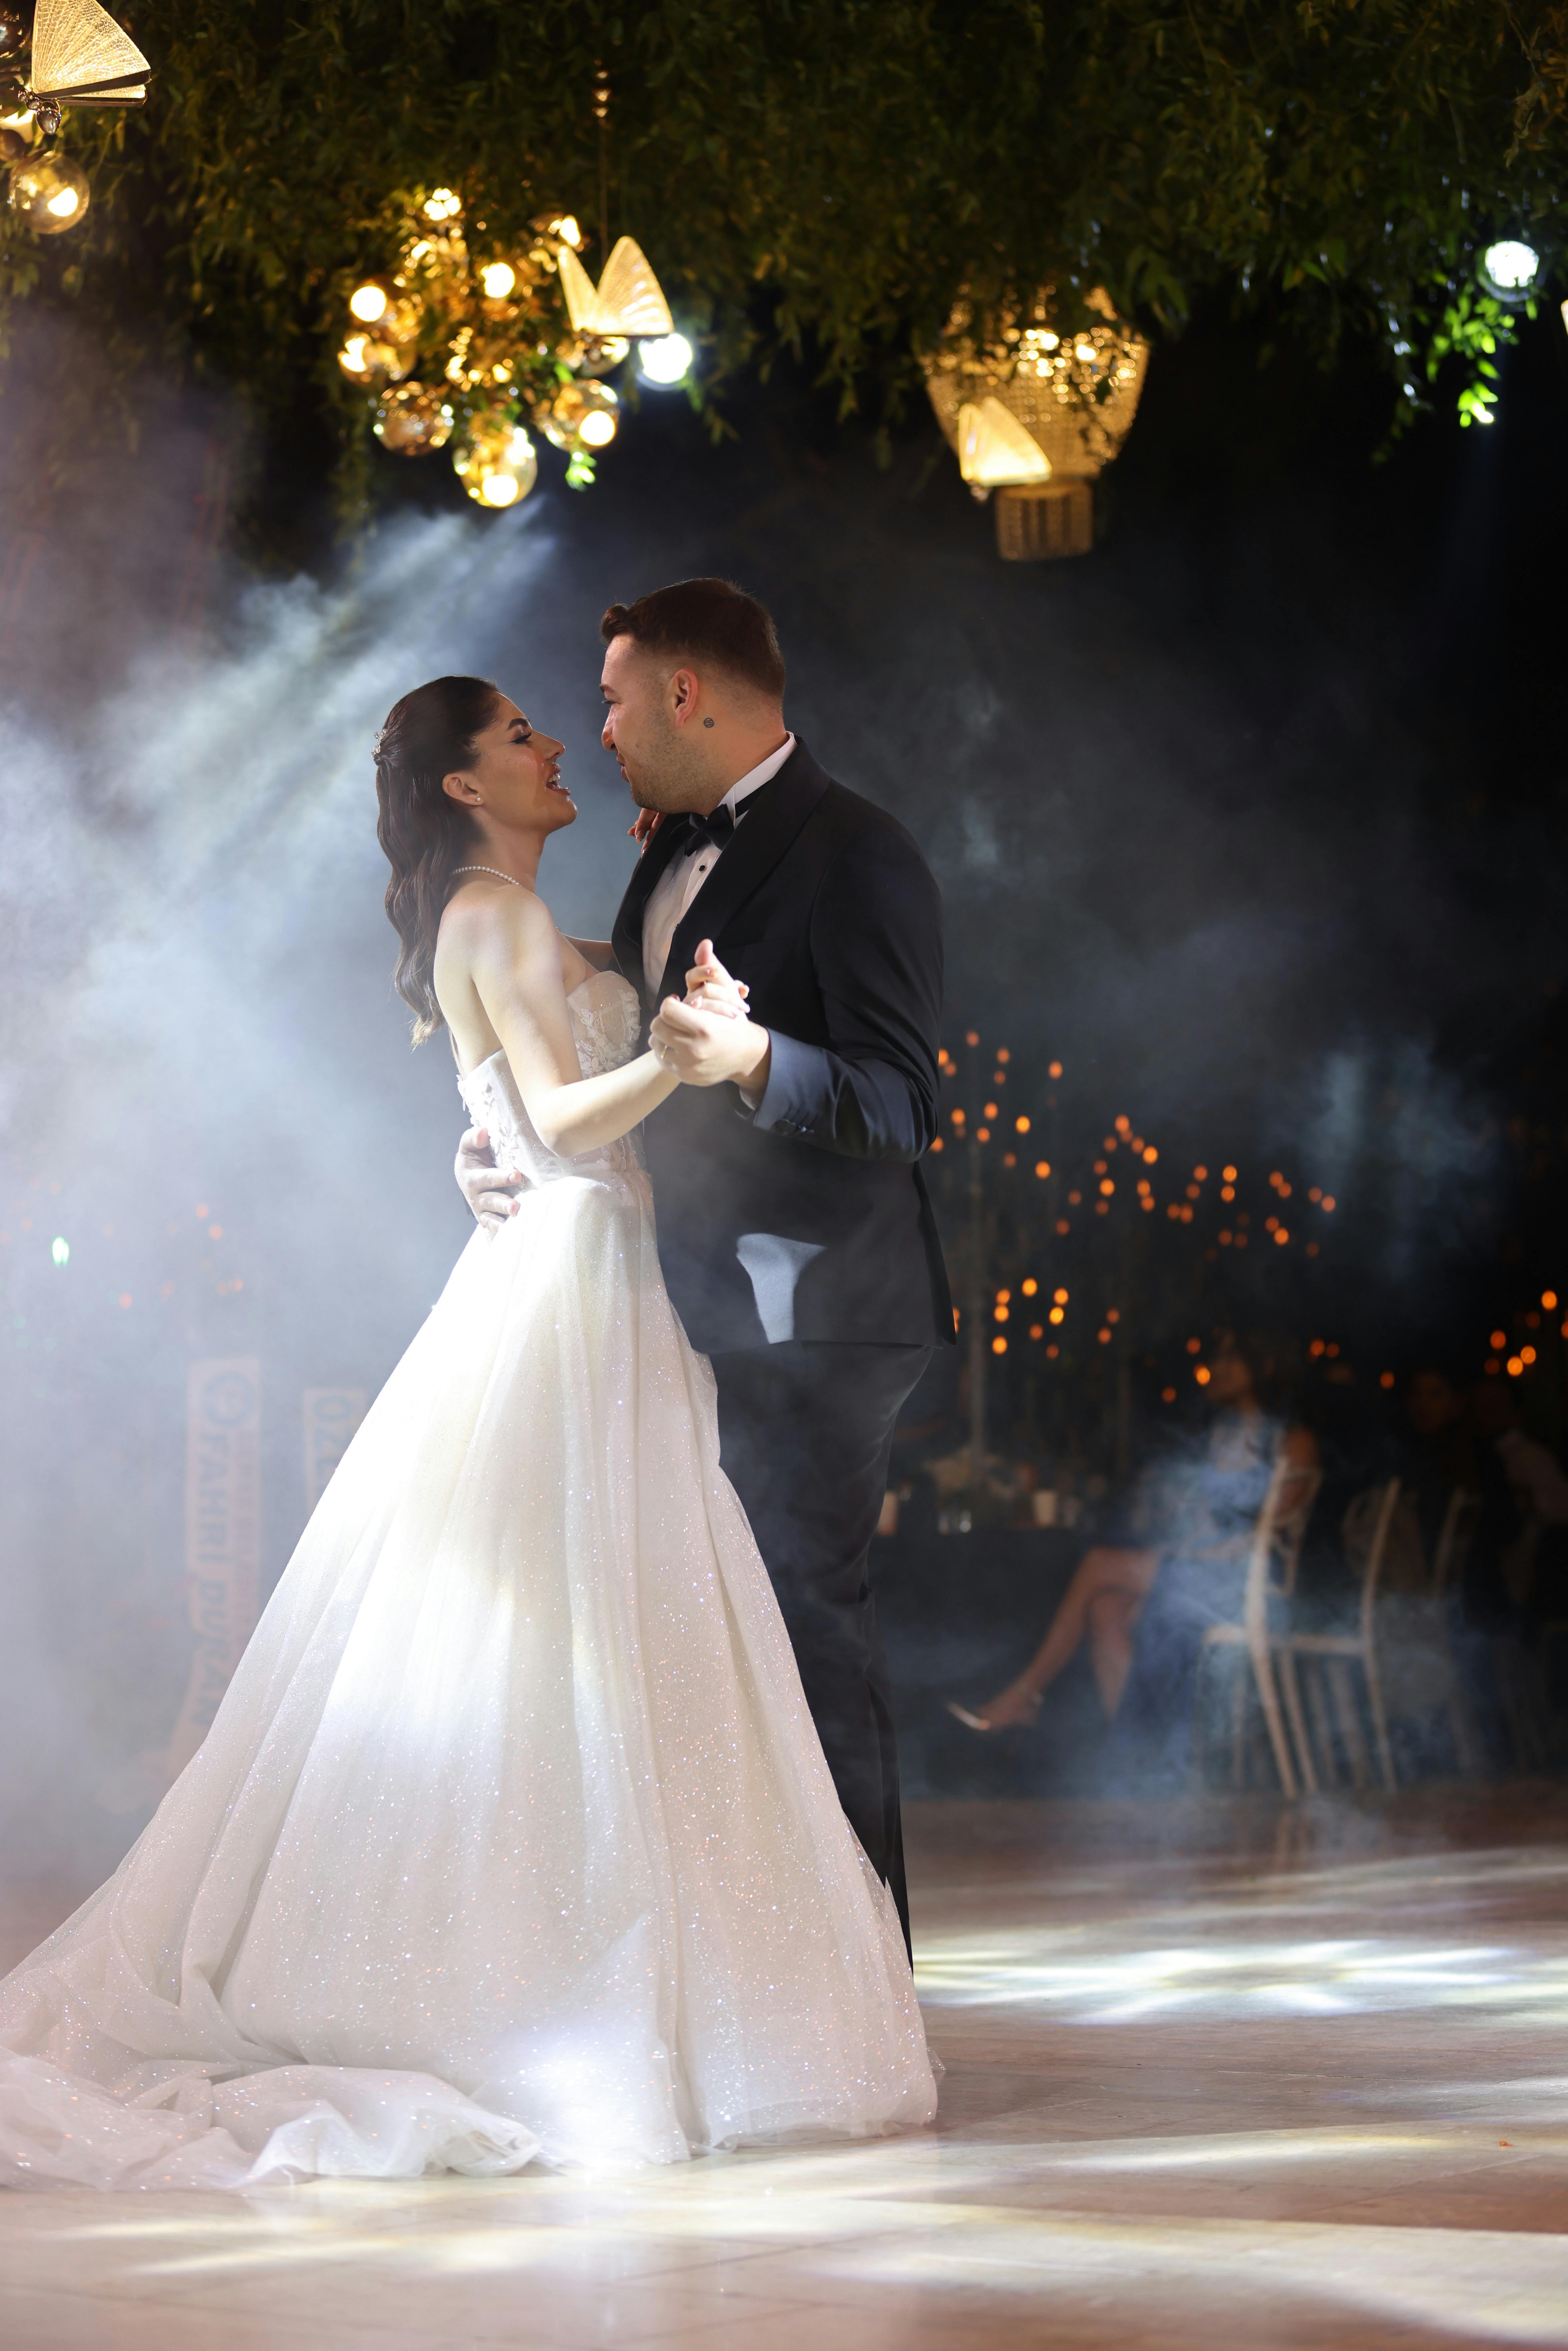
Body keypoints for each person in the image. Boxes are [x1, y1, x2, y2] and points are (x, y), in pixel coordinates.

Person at [0, 675, 936, 2191]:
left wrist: (539, 1094)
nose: (556, 743)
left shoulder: (527, 917)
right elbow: (562, 1125)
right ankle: (546, 1977)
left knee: (629, 1618)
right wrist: (680, 1055)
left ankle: (643, 1974)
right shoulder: (486, 918)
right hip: (570, 1279)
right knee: (562, 1613)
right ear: (460, 787)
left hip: (605, 1276)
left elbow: (515, 1087)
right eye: (518, 737)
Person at [457, 580, 953, 1948]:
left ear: (686, 694)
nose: (597, 729)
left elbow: (904, 1104)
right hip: (672, 1295)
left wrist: (754, 1065)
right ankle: (737, 1969)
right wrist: (498, 1140)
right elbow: (617, 1042)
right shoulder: (671, 844)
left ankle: (864, 1981)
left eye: (613, 698)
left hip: (821, 1307)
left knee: (802, 1621)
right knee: (700, 1630)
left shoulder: (861, 853)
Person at [950, 1332, 1319, 1731]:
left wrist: (1194, 1552)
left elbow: (1267, 1534)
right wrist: (1170, 1515)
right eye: (1219, 1357)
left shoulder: (1293, 1441)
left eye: (1233, 1358)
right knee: (1105, 1608)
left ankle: (1023, 1696)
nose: (1217, 1368)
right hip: (1199, 1568)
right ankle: (1134, 1749)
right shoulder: (1221, 1437)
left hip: (1243, 1583)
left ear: (1264, 1366)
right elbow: (1199, 1522)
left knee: (1097, 1564)